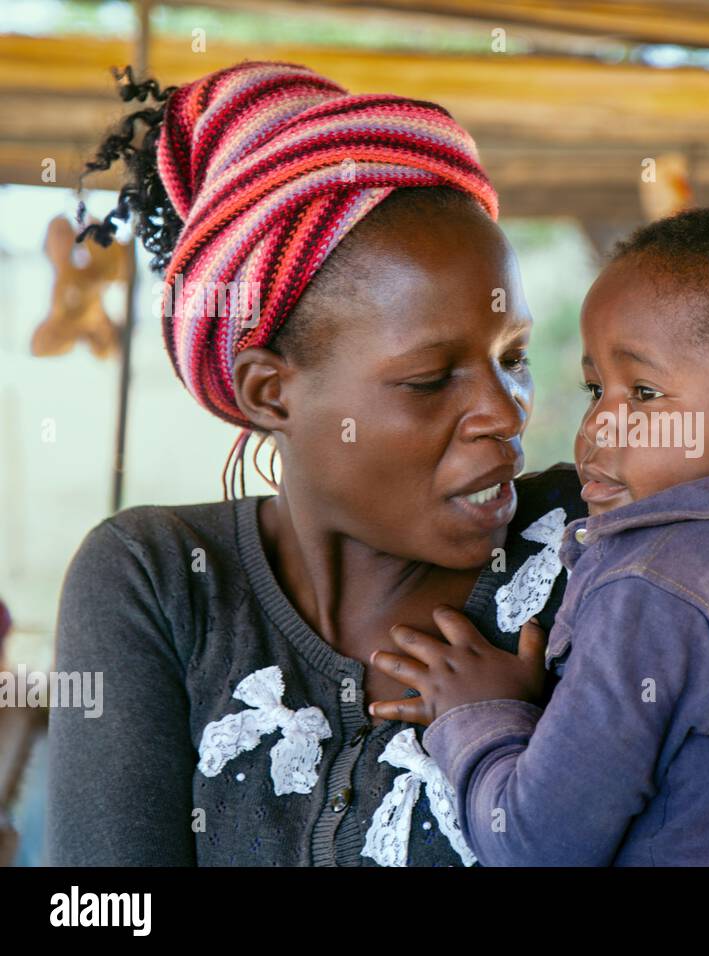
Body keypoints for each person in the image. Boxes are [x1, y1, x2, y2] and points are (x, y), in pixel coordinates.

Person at [46, 60, 583, 867]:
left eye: (514, 358)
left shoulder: (595, 544)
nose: (507, 415)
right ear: (271, 394)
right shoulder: (158, 581)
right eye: (431, 379)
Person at [370, 207, 709, 865]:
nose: (598, 428)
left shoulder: (654, 587)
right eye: (596, 389)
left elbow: (537, 845)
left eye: (644, 393)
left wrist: (480, 713)